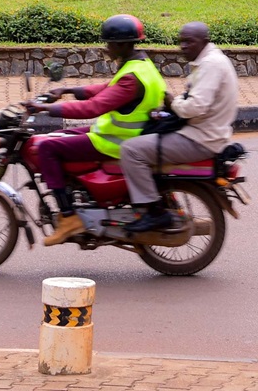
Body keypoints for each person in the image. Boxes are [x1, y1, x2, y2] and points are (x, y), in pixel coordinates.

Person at [27, 14, 167, 246]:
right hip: (120, 134)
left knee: (48, 148)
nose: (106, 48)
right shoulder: (142, 66)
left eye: (109, 44)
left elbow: (94, 107)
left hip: (117, 141)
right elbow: (106, 88)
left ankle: (68, 217)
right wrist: (66, 90)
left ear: (122, 45)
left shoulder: (131, 78)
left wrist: (46, 109)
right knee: (61, 136)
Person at [118, 22, 240, 235]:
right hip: (206, 132)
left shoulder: (211, 65)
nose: (183, 46)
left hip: (200, 139)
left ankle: (153, 212)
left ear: (204, 41)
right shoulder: (212, 60)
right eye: (181, 41)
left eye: (189, 42)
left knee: (131, 149)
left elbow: (195, 106)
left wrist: (173, 103)